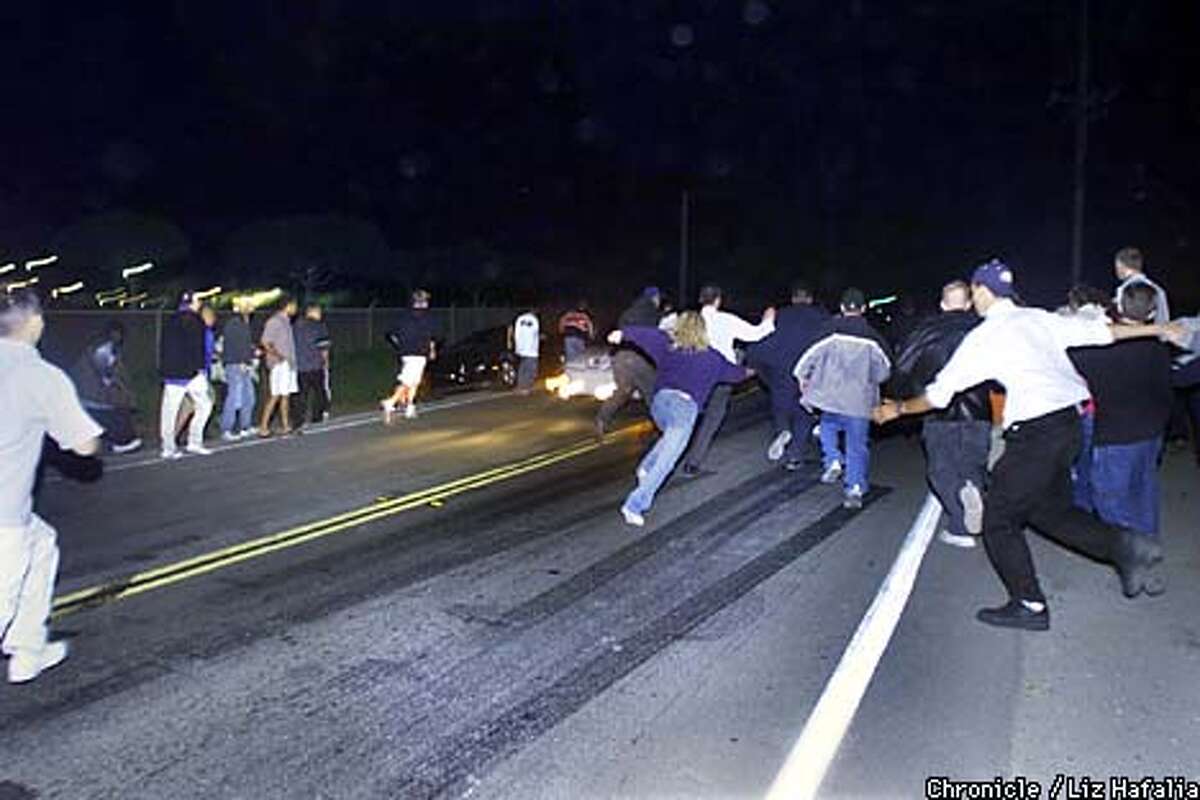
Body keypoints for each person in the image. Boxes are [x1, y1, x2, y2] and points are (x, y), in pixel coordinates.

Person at [873, 258, 1177, 632]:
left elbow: (938, 397)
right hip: (1071, 425)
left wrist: (897, 409)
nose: (974, 299)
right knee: (1050, 512)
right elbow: (1106, 333)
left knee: (998, 518)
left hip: (1037, 432)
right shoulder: (1039, 319)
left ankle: (1029, 604)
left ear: (982, 292)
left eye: (975, 292)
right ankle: (1126, 547)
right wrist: (1161, 327)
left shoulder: (986, 337)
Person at [0, 289, 103, 683]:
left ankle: (27, 651)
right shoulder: (39, 374)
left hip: (19, 516)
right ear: (34, 323)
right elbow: (83, 443)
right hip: (5, 512)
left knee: (42, 545)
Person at [607, 311, 750, 526]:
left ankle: (646, 467)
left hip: (659, 405)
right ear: (704, 331)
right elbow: (739, 374)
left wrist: (621, 334)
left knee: (670, 438)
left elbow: (643, 334)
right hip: (685, 409)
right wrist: (755, 369)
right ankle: (635, 504)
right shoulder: (713, 357)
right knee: (671, 456)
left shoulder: (666, 344)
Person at [890, 280, 991, 547]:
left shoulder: (926, 331)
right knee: (973, 464)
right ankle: (972, 489)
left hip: (937, 410)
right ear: (969, 303)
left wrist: (899, 399)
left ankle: (960, 521)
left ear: (943, 304)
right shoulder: (986, 329)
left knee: (941, 470)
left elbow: (901, 368)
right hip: (978, 411)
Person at [1068, 284, 1174, 537]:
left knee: (1110, 498)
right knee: (1143, 488)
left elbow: (1070, 365)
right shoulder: (1158, 348)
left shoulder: (1100, 348)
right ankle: (1147, 540)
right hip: (1151, 432)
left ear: (1119, 306)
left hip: (1116, 435)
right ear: (1151, 313)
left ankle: (1131, 551)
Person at [794, 287, 892, 509]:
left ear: (841, 307)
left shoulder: (830, 331)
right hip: (859, 401)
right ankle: (855, 487)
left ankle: (834, 459)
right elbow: (884, 371)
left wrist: (802, 378)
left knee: (827, 426)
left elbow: (807, 357)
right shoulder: (873, 337)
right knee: (857, 445)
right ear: (863, 309)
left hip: (831, 396)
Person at [679, 285, 774, 476]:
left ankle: (670, 454)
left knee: (686, 416)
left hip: (691, 375)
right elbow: (755, 334)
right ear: (718, 300)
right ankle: (692, 462)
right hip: (721, 375)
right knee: (713, 417)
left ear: (700, 299)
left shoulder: (690, 321)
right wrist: (768, 318)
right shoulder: (725, 319)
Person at [744, 280, 829, 469]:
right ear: (810, 299)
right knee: (803, 412)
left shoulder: (780, 315)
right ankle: (795, 456)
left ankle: (783, 429)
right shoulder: (821, 318)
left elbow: (760, 340)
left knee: (780, 405)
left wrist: (759, 369)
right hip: (808, 372)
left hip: (780, 368)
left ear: (793, 299)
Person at [595, 286, 662, 438]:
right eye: (658, 298)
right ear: (654, 298)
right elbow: (654, 338)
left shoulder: (628, 312)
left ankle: (602, 418)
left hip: (619, 356)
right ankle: (660, 426)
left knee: (623, 391)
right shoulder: (652, 313)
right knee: (652, 392)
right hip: (638, 357)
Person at [70, 321, 141, 454]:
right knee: (115, 413)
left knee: (113, 413)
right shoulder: (103, 349)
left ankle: (120, 440)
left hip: (89, 392)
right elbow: (104, 375)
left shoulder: (105, 347)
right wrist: (119, 393)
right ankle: (122, 440)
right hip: (91, 392)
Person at [159, 291, 213, 459]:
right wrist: (201, 368)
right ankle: (194, 441)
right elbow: (197, 346)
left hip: (173, 372)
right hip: (190, 372)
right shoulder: (195, 320)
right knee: (204, 404)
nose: (200, 304)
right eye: (198, 301)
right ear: (192, 303)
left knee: (170, 411)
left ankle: (169, 447)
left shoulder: (171, 319)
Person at [382, 289, 435, 422]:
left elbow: (390, 333)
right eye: (425, 300)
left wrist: (400, 344)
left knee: (414, 381)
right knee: (408, 380)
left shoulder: (403, 316)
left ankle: (410, 407)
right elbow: (432, 336)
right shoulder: (427, 317)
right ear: (422, 302)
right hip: (418, 353)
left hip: (405, 353)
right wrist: (432, 349)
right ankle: (391, 401)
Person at [258, 296, 299, 436]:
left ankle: (286, 426)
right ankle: (263, 427)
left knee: (285, 395)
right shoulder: (275, 321)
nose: (295, 309)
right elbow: (265, 342)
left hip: (288, 364)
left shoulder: (286, 322)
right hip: (279, 365)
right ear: (287, 305)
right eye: (294, 305)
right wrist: (278, 356)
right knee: (275, 395)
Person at [219, 297, 258, 441]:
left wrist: (252, 353)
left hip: (244, 365)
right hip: (235, 365)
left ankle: (245, 426)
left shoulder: (245, 323)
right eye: (247, 305)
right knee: (234, 397)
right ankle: (226, 429)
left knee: (249, 397)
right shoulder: (234, 323)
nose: (251, 307)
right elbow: (232, 345)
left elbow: (246, 345)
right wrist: (241, 359)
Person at [293, 303, 332, 428]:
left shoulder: (296, 326)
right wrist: (326, 362)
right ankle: (317, 417)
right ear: (312, 312)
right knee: (319, 392)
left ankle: (298, 420)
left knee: (301, 394)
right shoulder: (319, 326)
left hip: (300, 366)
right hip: (315, 365)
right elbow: (323, 347)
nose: (320, 315)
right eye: (318, 312)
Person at [1113, 246, 1169, 324]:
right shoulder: (1158, 289)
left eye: (1116, 266)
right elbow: (1164, 320)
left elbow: (1129, 322)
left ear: (1121, 265)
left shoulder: (1127, 289)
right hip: (1156, 333)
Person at [511, 308, 540, 394]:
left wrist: (517, 346)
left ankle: (520, 386)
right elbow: (535, 332)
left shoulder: (520, 319)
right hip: (531, 349)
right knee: (531, 369)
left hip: (521, 348)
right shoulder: (534, 320)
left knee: (522, 368)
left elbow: (516, 333)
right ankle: (527, 387)